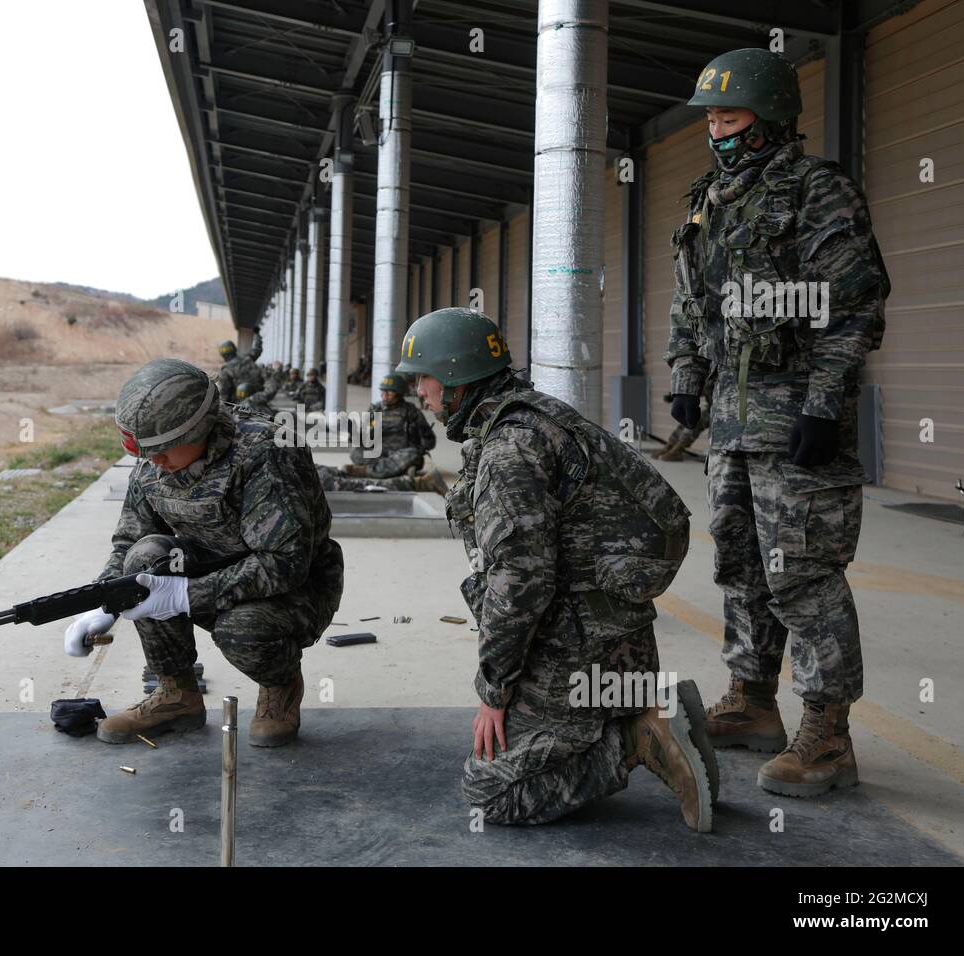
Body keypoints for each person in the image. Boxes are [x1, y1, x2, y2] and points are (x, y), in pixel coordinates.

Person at [665, 48, 890, 797]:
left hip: (797, 425)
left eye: (730, 117)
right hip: (732, 428)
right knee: (740, 566)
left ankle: (827, 735)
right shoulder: (709, 200)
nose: (717, 130)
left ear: (772, 119)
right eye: (710, 118)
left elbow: (853, 305)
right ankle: (752, 701)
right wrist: (686, 382)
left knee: (804, 577)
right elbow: (691, 304)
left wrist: (825, 404)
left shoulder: (817, 191)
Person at [397, 307, 718, 831]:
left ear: (456, 377)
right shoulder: (533, 415)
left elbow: (520, 584)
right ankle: (637, 706)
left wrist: (494, 691)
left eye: (423, 377)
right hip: (615, 637)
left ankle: (635, 737)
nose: (419, 391)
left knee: (493, 792)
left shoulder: (509, 449)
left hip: (581, 648)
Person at [63, 358, 344, 748]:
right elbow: (130, 540)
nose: (154, 461)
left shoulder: (268, 452)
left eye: (163, 450)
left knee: (241, 628)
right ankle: (177, 695)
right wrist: (102, 601)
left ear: (200, 429)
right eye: (146, 451)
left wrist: (181, 595)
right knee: (143, 563)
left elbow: (284, 563)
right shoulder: (154, 462)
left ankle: (280, 686)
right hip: (214, 568)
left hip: (294, 588)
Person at [316, 371, 445, 493]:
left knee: (413, 455)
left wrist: (420, 445)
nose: (385, 395)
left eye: (389, 393)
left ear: (399, 393)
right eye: (383, 392)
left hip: (401, 452)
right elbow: (365, 440)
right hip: (379, 452)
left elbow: (429, 441)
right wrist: (352, 431)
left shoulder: (410, 411)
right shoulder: (375, 409)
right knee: (356, 453)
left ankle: (365, 471)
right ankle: (396, 470)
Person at [657, 388, 711, 461]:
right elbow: (702, 388)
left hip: (722, 411)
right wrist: (676, 395)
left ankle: (677, 450)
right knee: (687, 420)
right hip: (713, 408)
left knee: (697, 422)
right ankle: (669, 446)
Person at [216, 333, 264, 403]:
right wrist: (257, 336)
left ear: (222, 355)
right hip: (259, 398)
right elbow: (257, 350)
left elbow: (224, 394)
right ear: (234, 349)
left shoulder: (225, 370)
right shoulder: (248, 358)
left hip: (241, 403)